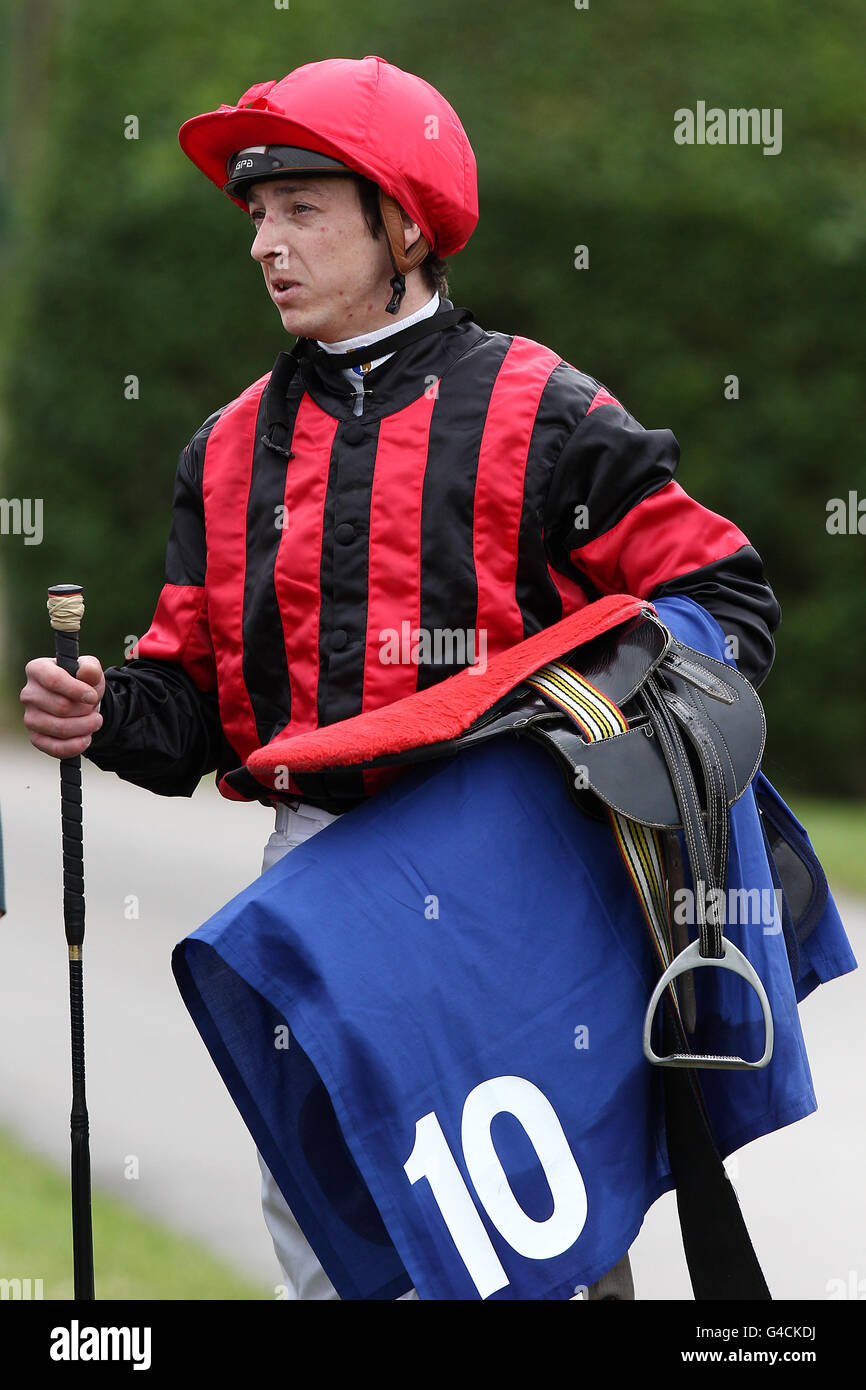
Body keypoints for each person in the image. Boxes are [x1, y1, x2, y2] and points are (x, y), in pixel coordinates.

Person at [20, 55, 782, 1299]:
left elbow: (720, 605)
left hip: (512, 878)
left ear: (405, 228)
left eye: (301, 209)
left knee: (541, 1254)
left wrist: (585, 754)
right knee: (335, 1239)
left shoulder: (546, 410)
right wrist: (104, 711)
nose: (264, 243)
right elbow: (194, 708)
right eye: (255, 214)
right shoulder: (224, 449)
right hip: (315, 877)